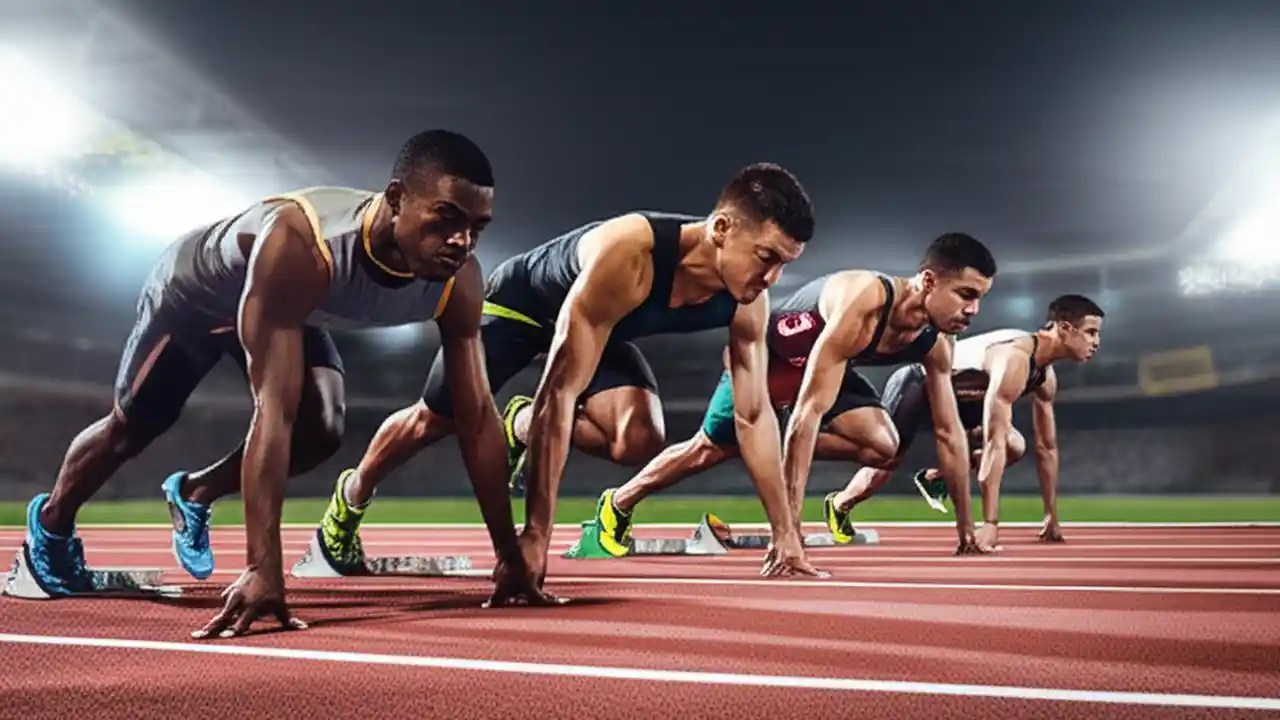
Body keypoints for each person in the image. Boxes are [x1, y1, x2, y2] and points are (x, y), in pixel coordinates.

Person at [20, 130, 546, 639]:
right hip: (196, 299)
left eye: (478, 226)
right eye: (446, 218)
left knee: (321, 429)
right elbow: (272, 410)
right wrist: (261, 566)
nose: (462, 241)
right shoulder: (303, 244)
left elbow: (476, 418)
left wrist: (508, 554)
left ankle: (195, 493)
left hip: (286, 308)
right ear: (395, 199)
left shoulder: (461, 281)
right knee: (133, 429)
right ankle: (50, 529)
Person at [316, 162, 821, 586]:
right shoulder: (632, 256)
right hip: (522, 310)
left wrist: (785, 532)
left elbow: (753, 416)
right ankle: (351, 497)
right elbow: (560, 393)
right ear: (722, 230)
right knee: (436, 418)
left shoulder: (747, 304)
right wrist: (535, 535)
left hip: (598, 329)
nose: (773, 278)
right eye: (766, 257)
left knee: (639, 437)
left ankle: (517, 424)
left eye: (784, 264)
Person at [599, 234, 999, 556]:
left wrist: (966, 532)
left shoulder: (936, 343)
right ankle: (617, 502)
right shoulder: (864, 300)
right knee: (707, 450)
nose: (974, 310)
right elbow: (807, 416)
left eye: (980, 297)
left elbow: (949, 434)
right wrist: (788, 533)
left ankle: (763, 446)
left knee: (884, 445)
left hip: (829, 368)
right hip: (770, 360)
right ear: (928, 281)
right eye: (966, 294)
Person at [829, 295, 1105, 548]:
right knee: (885, 462)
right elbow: (993, 442)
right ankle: (840, 503)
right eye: (1091, 333)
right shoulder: (1014, 358)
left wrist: (1051, 517)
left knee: (1015, 445)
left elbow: (1047, 448)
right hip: (921, 384)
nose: (1097, 342)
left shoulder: (1044, 377)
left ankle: (935, 478)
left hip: (965, 398)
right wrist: (990, 525)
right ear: (1065, 328)